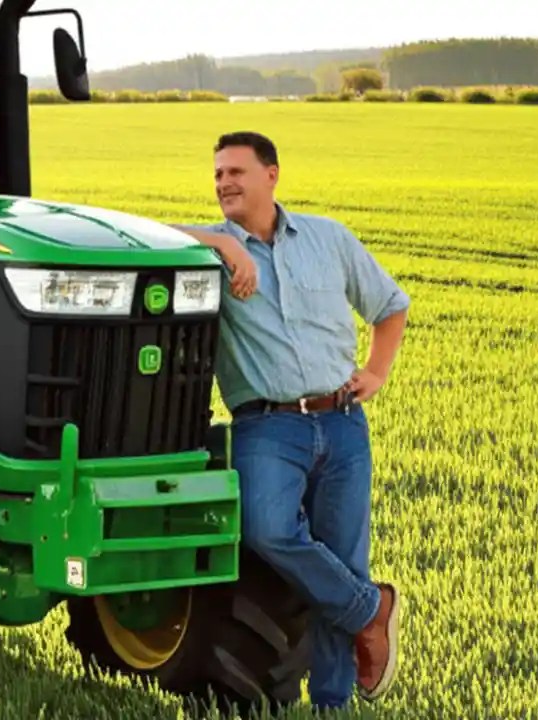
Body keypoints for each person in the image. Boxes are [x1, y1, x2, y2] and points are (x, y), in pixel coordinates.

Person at [176, 131, 409, 710]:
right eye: (218, 175)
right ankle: (369, 609)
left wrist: (376, 373)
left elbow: (391, 305)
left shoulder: (327, 238)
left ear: (272, 175)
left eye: (236, 172)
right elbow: (140, 234)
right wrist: (224, 247)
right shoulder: (207, 248)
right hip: (266, 427)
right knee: (266, 529)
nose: (224, 183)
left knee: (340, 555)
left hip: (343, 422)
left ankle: (332, 701)